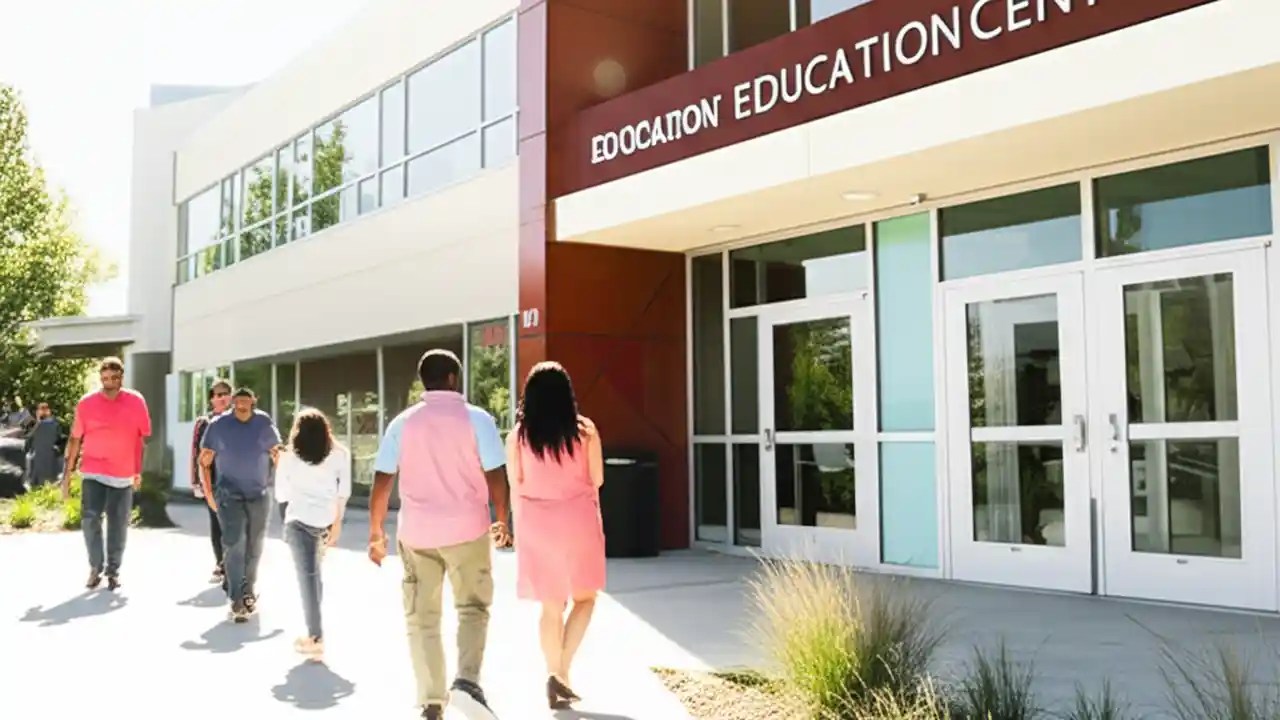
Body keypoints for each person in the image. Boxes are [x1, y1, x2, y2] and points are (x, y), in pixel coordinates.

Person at [369, 349, 511, 720]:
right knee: (473, 607)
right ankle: (466, 682)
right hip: (468, 531)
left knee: (422, 616)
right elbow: (496, 474)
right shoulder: (478, 419)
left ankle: (432, 700)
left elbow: (382, 480)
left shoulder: (402, 423)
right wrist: (503, 519)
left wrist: (376, 532)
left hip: (417, 534)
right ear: (453, 379)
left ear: (423, 381)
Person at [506, 362, 606, 709]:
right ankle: (561, 673)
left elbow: (515, 483)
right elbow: (597, 479)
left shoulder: (518, 437)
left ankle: (555, 673)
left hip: (536, 525)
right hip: (578, 520)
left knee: (551, 606)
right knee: (585, 597)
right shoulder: (585, 432)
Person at [63, 357, 152, 591]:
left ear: (122, 377)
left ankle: (113, 571)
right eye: (105, 378)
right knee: (90, 518)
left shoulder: (136, 401)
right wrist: (67, 474)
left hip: (123, 473)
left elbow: (141, 439)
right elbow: (75, 438)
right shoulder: (87, 403)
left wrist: (137, 470)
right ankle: (95, 567)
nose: (109, 383)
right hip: (93, 471)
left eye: (114, 378)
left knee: (118, 524)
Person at [198, 387, 282, 622]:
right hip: (228, 494)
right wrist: (208, 493)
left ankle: (248, 592)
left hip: (259, 494)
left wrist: (285, 485)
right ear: (233, 403)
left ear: (254, 402)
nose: (243, 405)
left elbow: (277, 454)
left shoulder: (263, 423)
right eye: (239, 401)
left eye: (247, 401)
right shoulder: (218, 425)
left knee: (254, 546)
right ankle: (236, 598)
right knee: (235, 543)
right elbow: (204, 460)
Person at [275, 408, 351, 660]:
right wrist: (337, 523)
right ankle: (314, 632)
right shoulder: (340, 454)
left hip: (299, 522)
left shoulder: (288, 457)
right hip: (326, 523)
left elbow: (281, 495)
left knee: (307, 579)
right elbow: (343, 493)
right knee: (314, 577)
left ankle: (315, 637)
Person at [192, 380, 233, 585]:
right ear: (211, 399)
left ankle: (235, 563)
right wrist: (196, 482)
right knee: (217, 523)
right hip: (213, 481)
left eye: (225, 393)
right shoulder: (204, 423)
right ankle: (221, 563)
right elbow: (196, 453)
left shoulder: (240, 420)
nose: (222, 398)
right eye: (217, 395)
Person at [27, 402, 63, 486]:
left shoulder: (39, 425)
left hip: (41, 454)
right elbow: (58, 437)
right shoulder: (55, 424)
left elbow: (29, 437)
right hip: (48, 453)